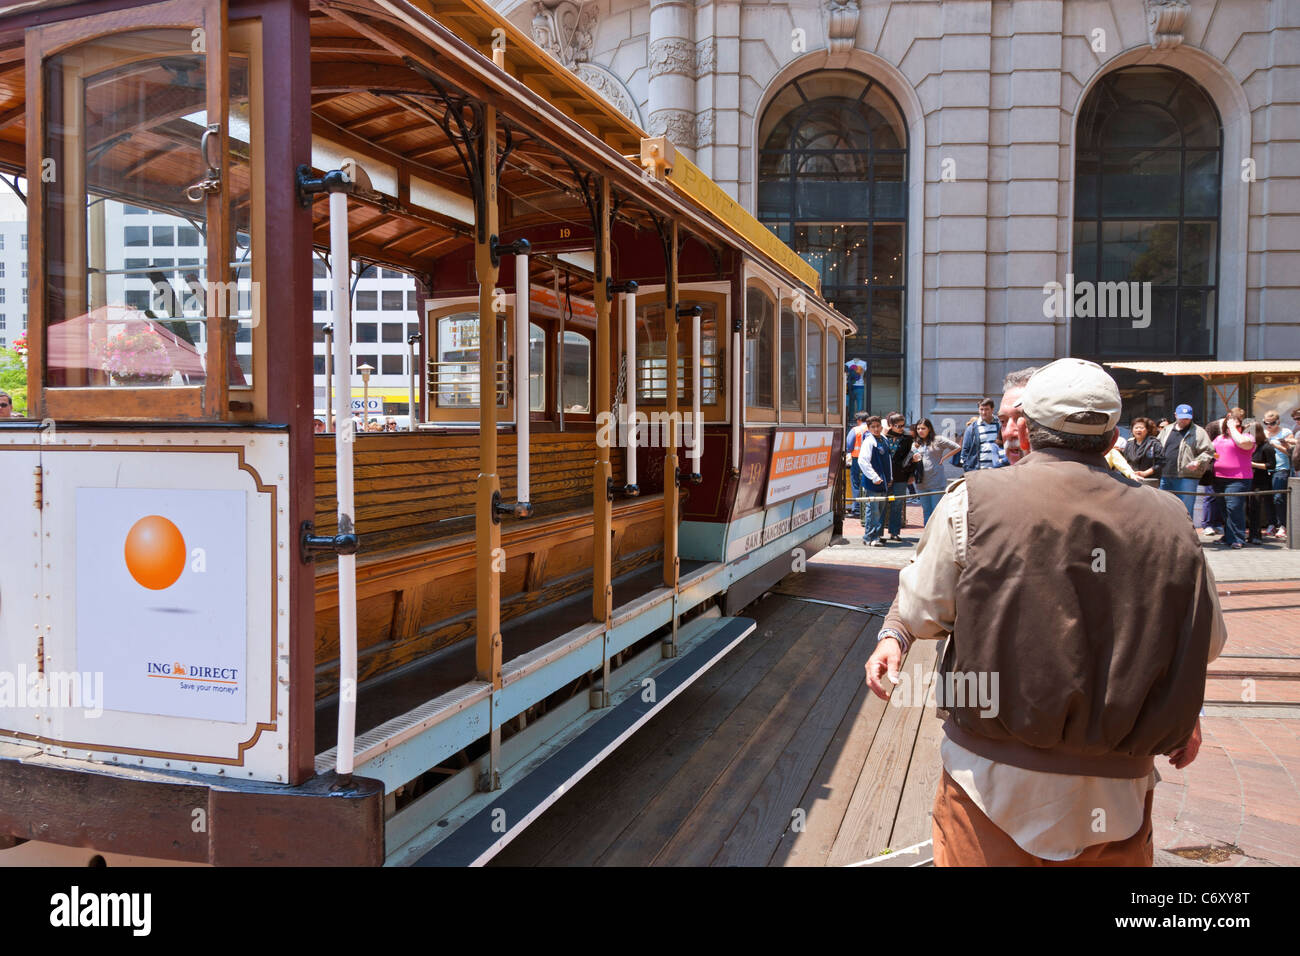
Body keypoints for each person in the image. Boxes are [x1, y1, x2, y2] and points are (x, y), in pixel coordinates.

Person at [866, 358, 1225, 866]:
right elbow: (1204, 641)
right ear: (1112, 436)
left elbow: (924, 612)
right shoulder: (1171, 517)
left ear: (1029, 430)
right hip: (1118, 788)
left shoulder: (974, 500)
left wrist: (894, 635)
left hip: (990, 781)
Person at [1156, 405, 1214, 519]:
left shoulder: (1199, 431)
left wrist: (1198, 461)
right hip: (1165, 475)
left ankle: (1186, 536)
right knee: (1164, 508)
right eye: (1181, 417)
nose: (1184, 420)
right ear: (1175, 415)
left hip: (1187, 476)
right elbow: (1157, 446)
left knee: (1185, 510)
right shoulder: (1167, 429)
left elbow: (1208, 451)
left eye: (1187, 418)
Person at [1212, 408, 1255, 550]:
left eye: (1238, 425)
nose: (1233, 427)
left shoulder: (1248, 437)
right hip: (1219, 478)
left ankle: (1238, 538)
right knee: (1224, 509)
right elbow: (1209, 452)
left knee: (1234, 508)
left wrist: (1232, 427)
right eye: (1230, 424)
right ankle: (1228, 536)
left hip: (1238, 479)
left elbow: (1241, 442)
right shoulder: (1219, 438)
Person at [910, 418, 960, 526]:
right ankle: (927, 537)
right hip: (921, 482)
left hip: (936, 481)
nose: (920, 431)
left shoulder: (938, 439)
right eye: (918, 428)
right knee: (926, 511)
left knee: (937, 511)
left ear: (929, 429)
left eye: (923, 428)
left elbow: (957, 447)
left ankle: (938, 538)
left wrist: (944, 457)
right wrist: (913, 460)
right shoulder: (916, 443)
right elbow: (911, 460)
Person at [857, 415, 892, 548]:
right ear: (869, 428)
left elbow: (888, 460)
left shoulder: (883, 439)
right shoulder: (869, 441)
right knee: (873, 511)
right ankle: (869, 537)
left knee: (881, 510)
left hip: (884, 482)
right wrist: (874, 477)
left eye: (878, 426)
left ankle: (876, 535)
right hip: (873, 483)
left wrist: (890, 477)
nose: (876, 429)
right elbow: (862, 461)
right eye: (873, 427)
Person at [882, 413, 914, 542]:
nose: (901, 428)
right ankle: (878, 532)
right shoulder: (883, 437)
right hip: (884, 475)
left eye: (903, 425)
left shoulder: (907, 438)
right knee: (882, 504)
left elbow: (910, 457)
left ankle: (894, 532)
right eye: (898, 426)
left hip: (901, 475)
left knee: (897, 504)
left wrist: (911, 474)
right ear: (890, 425)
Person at [1263, 411, 1293, 539]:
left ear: (1278, 421)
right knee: (1267, 497)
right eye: (1266, 423)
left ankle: (1283, 525)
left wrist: (1276, 445)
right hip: (1265, 468)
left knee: (1278, 497)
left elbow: (1291, 452)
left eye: (1272, 423)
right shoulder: (1263, 433)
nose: (1269, 426)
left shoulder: (1286, 433)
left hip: (1281, 468)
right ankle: (1271, 523)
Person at [1244, 419, 1274, 544]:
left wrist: (1253, 464)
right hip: (1247, 479)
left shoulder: (1266, 447)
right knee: (1247, 508)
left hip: (1260, 481)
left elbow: (1271, 465)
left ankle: (1256, 535)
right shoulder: (1248, 446)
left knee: (1256, 508)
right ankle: (1249, 533)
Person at [959, 399, 1003, 472]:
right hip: (979, 471)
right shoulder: (972, 428)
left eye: (986, 409)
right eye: (981, 409)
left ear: (992, 409)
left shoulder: (1000, 424)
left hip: (998, 470)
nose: (983, 412)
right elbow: (965, 451)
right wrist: (968, 468)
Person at [845, 411, 870, 523]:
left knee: (856, 483)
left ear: (858, 420)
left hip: (857, 459)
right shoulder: (872, 429)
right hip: (870, 460)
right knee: (867, 483)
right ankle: (866, 508)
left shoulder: (855, 430)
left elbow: (849, 446)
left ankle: (857, 509)